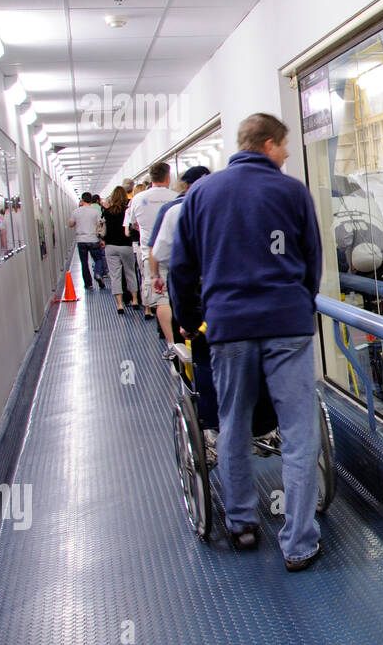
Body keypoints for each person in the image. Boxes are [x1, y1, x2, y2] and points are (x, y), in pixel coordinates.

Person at [171, 114, 323, 571]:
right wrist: (300, 302)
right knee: (299, 432)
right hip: (287, 325)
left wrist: (192, 319)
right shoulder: (292, 191)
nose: (289, 155)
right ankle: (298, 543)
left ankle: (240, 523)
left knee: (233, 424)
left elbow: (181, 267)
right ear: (269, 144)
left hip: (229, 327)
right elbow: (311, 260)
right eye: (285, 146)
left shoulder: (200, 194)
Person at [147, 165, 209, 350]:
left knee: (185, 322)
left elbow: (158, 250)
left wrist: (154, 274)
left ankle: (179, 353)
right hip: (218, 284)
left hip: (186, 279)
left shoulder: (172, 209)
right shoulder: (225, 205)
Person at [127, 163, 174, 319]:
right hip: (174, 253)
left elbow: (133, 224)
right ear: (168, 178)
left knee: (160, 298)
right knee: (176, 294)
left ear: (151, 178)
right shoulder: (175, 197)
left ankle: (167, 338)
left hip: (149, 253)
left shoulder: (138, 199)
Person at [100, 187, 139, 313]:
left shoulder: (106, 212)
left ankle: (119, 305)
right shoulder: (127, 212)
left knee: (115, 276)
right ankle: (134, 300)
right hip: (126, 246)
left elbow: (101, 228)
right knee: (130, 273)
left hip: (110, 247)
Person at [67, 192, 103, 290]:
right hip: (93, 239)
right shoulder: (95, 211)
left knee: (84, 262)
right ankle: (97, 273)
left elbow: (70, 224)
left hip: (81, 240)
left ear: (82, 200)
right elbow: (99, 224)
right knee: (98, 259)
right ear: (91, 200)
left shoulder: (76, 211)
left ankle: (88, 284)